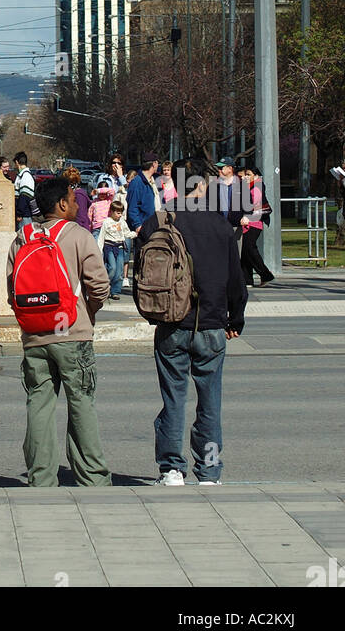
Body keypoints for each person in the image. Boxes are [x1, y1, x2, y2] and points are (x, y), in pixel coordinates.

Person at [134, 157, 248, 485]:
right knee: (210, 402)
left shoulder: (158, 221)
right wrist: (235, 319)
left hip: (171, 323)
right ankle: (209, 470)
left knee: (173, 398)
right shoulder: (220, 225)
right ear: (201, 185)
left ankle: (171, 469)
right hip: (212, 324)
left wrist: (152, 313)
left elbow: (141, 272)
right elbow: (235, 281)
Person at [6, 177, 112, 487]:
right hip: (72, 333)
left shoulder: (22, 238)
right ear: (62, 204)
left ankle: (41, 477)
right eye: (73, 199)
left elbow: (12, 291)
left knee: (39, 404)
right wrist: (88, 311)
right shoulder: (78, 236)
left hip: (35, 336)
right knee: (81, 401)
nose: (78, 204)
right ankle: (92, 476)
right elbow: (100, 285)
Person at [236, 165, 275, 288]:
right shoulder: (248, 187)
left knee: (249, 248)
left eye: (249, 175)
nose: (245, 177)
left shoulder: (256, 187)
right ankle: (247, 279)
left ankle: (265, 274)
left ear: (256, 176)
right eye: (244, 175)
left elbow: (253, 204)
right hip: (248, 222)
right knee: (246, 250)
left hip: (254, 222)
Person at [101, 191, 134, 300]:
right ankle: (105, 285)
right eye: (118, 213)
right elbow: (102, 236)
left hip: (120, 247)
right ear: (111, 212)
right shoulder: (106, 222)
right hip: (109, 247)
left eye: (121, 213)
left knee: (119, 270)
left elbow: (127, 233)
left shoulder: (122, 222)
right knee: (112, 268)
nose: (119, 215)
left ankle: (115, 291)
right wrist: (99, 248)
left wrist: (135, 234)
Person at [126, 156, 159, 231]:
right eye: (157, 163)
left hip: (153, 226)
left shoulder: (153, 181)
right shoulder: (136, 182)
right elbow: (132, 207)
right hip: (142, 228)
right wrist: (138, 225)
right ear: (154, 164)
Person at [13, 152, 37, 229]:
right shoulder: (22, 175)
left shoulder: (25, 176)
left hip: (24, 216)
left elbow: (24, 196)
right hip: (23, 214)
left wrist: (19, 213)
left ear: (17, 162)